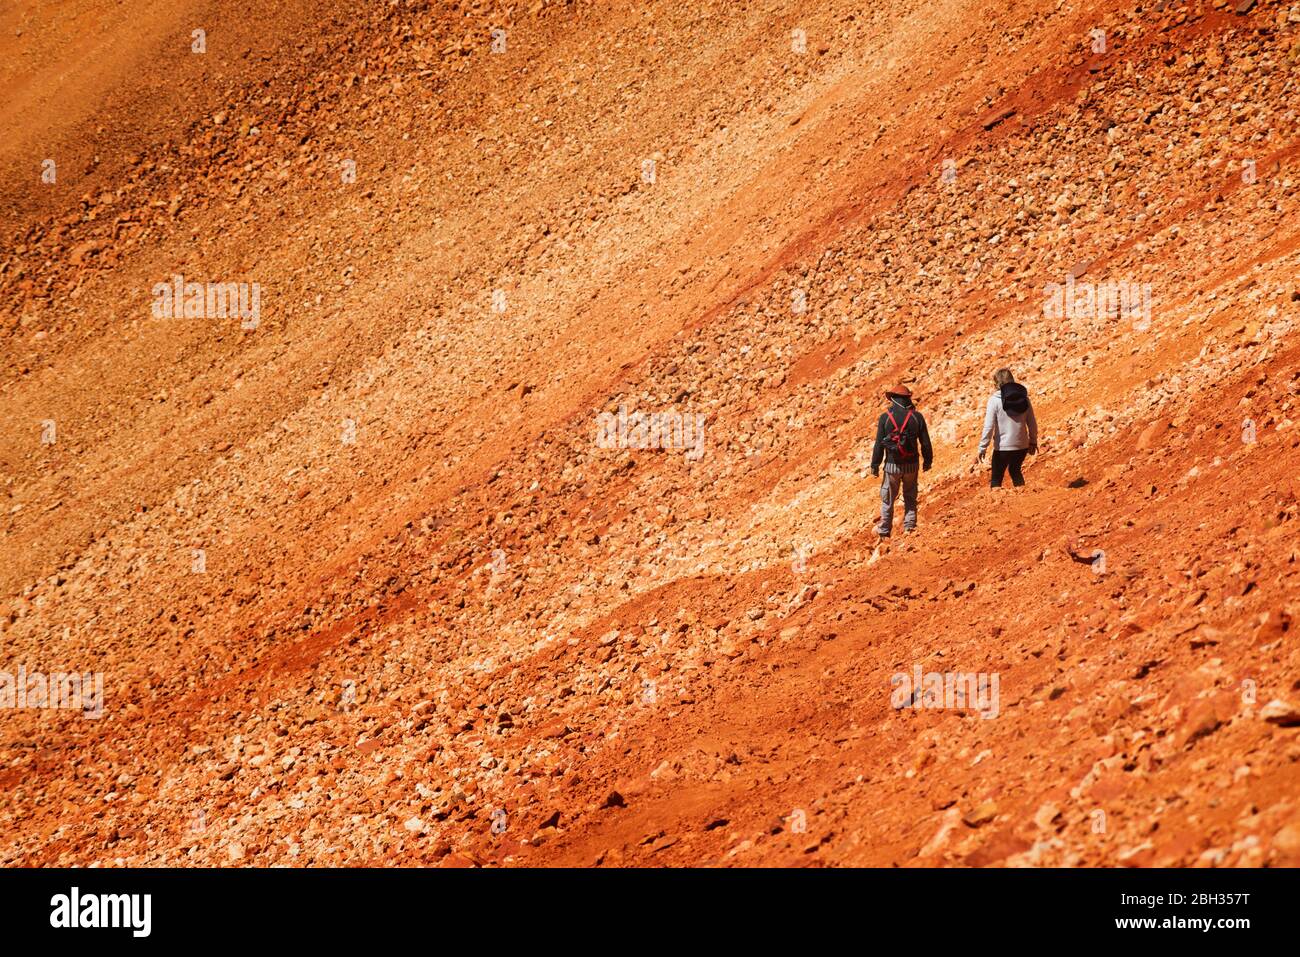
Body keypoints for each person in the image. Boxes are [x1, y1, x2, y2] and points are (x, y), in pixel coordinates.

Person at [870, 385, 933, 536]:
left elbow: (879, 444)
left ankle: (884, 530)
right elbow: (925, 442)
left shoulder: (886, 418)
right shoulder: (917, 417)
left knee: (888, 498)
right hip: (912, 465)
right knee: (910, 495)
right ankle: (909, 527)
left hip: (892, 466)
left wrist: (875, 465)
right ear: (908, 398)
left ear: (892, 398)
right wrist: (928, 461)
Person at [977, 368, 1038, 487]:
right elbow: (1032, 423)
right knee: (1015, 471)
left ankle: (997, 503)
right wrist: (1033, 442)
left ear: (996, 384)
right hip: (1022, 446)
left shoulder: (994, 401)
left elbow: (988, 427)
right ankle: (1022, 498)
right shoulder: (1024, 398)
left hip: (1002, 448)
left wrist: (982, 448)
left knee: (996, 478)